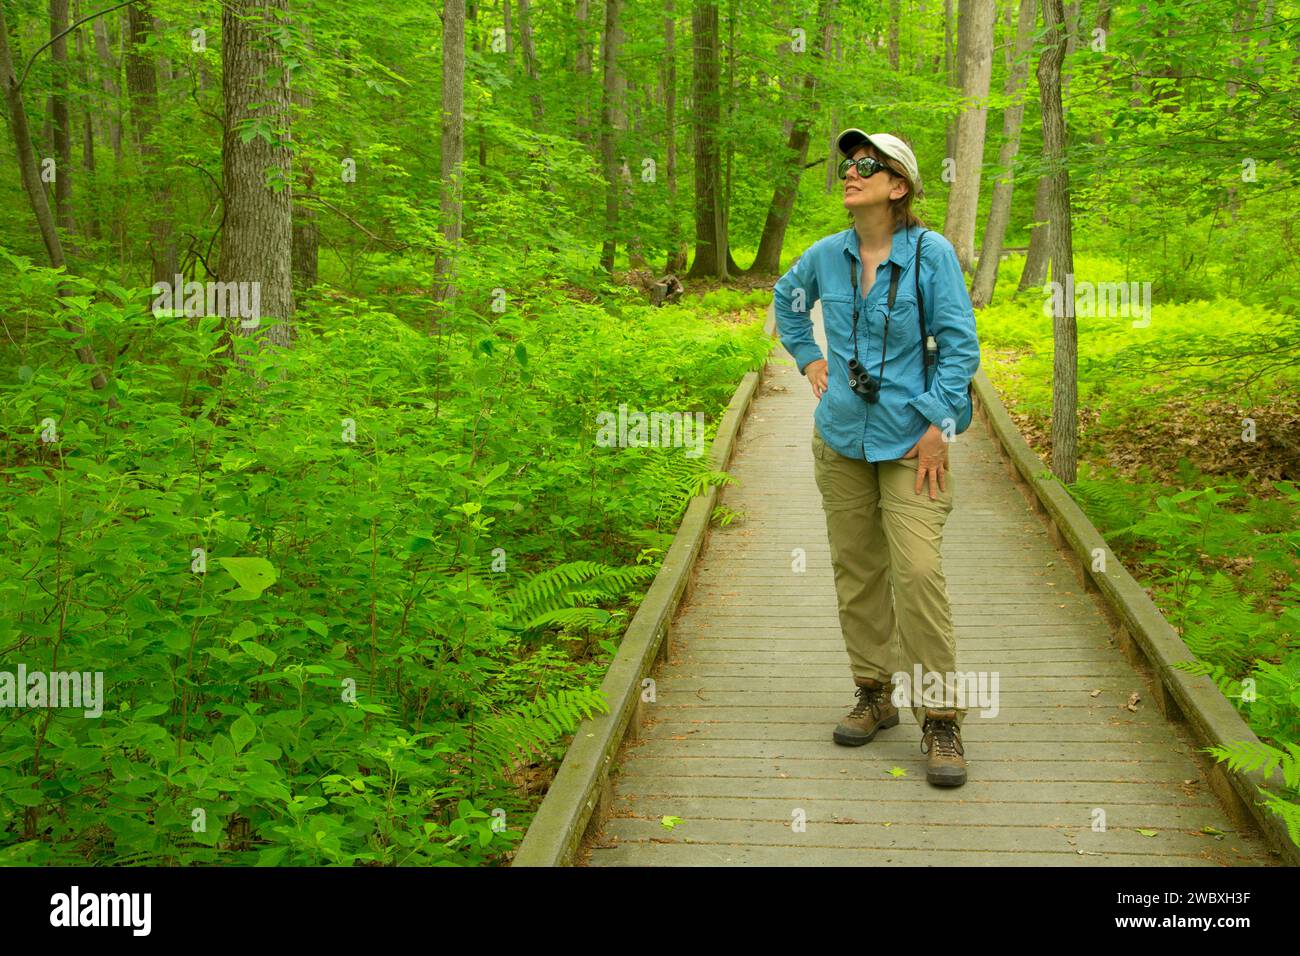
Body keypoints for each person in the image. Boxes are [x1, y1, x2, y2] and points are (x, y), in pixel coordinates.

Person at [771, 129, 981, 786]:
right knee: (857, 571)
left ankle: (941, 718)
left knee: (917, 572)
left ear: (898, 186)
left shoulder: (931, 254)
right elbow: (786, 299)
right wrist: (808, 357)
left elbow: (958, 345)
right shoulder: (827, 256)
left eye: (866, 165)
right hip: (840, 440)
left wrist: (938, 425)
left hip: (914, 441)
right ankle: (873, 693)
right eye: (846, 164)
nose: (849, 173)